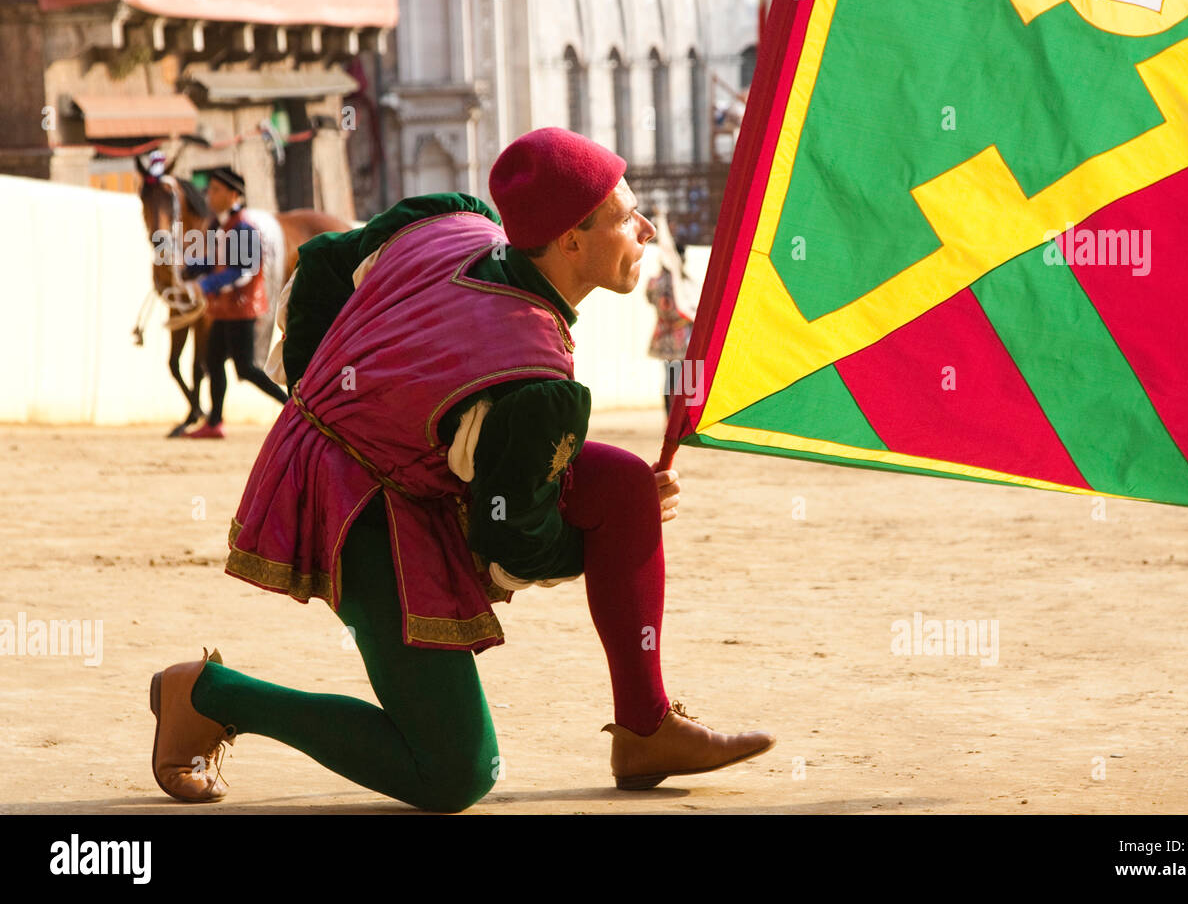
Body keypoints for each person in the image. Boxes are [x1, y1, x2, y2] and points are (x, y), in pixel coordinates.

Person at [147, 128, 774, 812]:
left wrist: (333, 390)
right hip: (363, 505)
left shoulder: (447, 218)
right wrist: (340, 409)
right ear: (569, 241)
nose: (647, 229)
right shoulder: (539, 387)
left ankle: (646, 728)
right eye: (626, 217)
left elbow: (326, 260)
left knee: (624, 487)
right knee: (454, 774)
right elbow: (517, 546)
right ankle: (206, 696)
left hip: (384, 460)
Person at [179, 167, 288, 438]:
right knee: (213, 361)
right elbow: (221, 263)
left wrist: (204, 284)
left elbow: (242, 271)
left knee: (247, 369)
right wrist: (191, 267)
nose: (210, 195)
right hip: (225, 309)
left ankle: (291, 408)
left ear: (232, 194)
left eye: (215, 190)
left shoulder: (243, 228)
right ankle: (215, 422)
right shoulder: (223, 226)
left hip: (242, 309)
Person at [645, 212, 700, 416]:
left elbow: (650, 299)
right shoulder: (683, 283)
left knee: (671, 380)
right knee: (688, 382)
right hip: (683, 338)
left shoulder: (654, 282)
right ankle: (685, 420)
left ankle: (671, 419)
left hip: (664, 336)